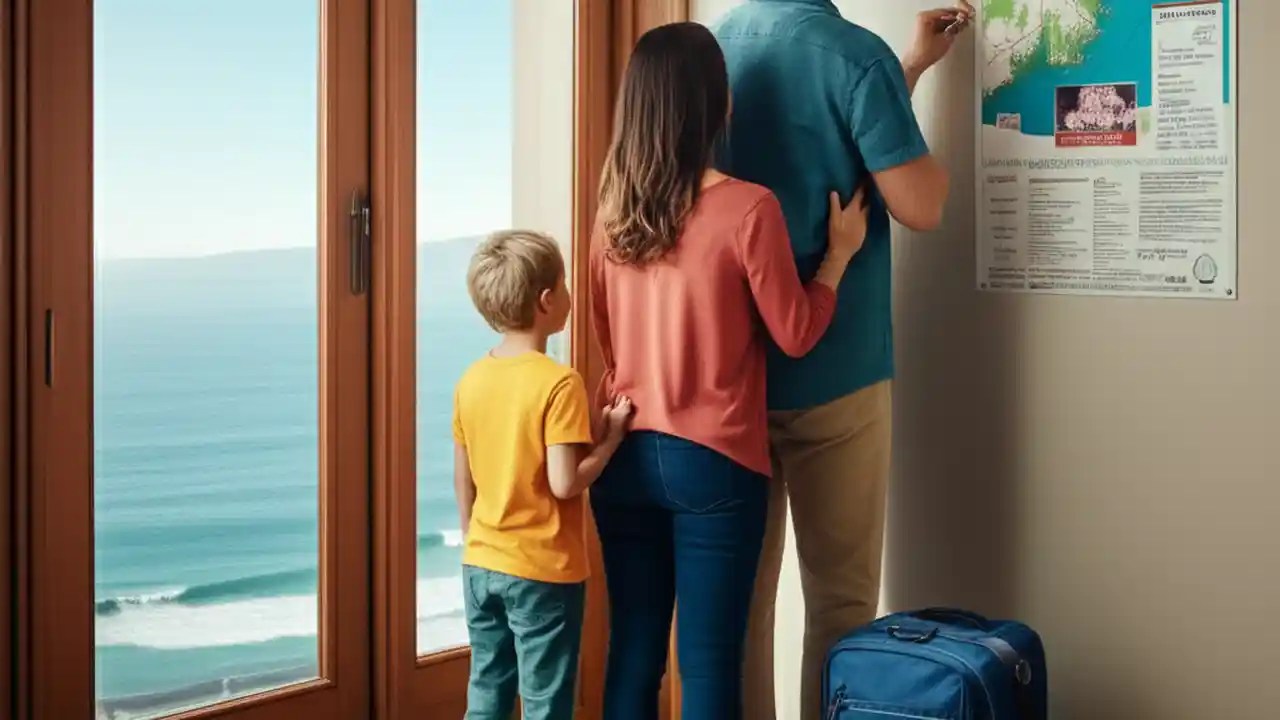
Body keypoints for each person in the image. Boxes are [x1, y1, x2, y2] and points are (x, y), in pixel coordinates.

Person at [588, 22, 869, 720]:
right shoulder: (749, 207)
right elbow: (796, 332)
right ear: (720, 107)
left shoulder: (610, 217)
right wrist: (838, 257)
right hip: (713, 464)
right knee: (710, 666)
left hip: (622, 454)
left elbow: (609, 345)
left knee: (633, 654)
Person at [710, 2, 974, 718]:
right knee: (840, 603)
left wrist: (909, 68)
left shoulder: (711, 47)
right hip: (837, 372)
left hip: (729, 380)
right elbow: (920, 204)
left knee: (739, 608)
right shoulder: (853, 56)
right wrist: (895, 82)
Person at [452, 230, 635, 720]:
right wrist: (611, 440)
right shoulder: (558, 381)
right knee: (545, 702)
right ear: (548, 300)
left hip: (481, 563)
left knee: (486, 691)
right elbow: (565, 482)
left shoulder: (472, 379)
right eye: (566, 284)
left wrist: (478, 541)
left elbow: (464, 478)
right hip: (541, 571)